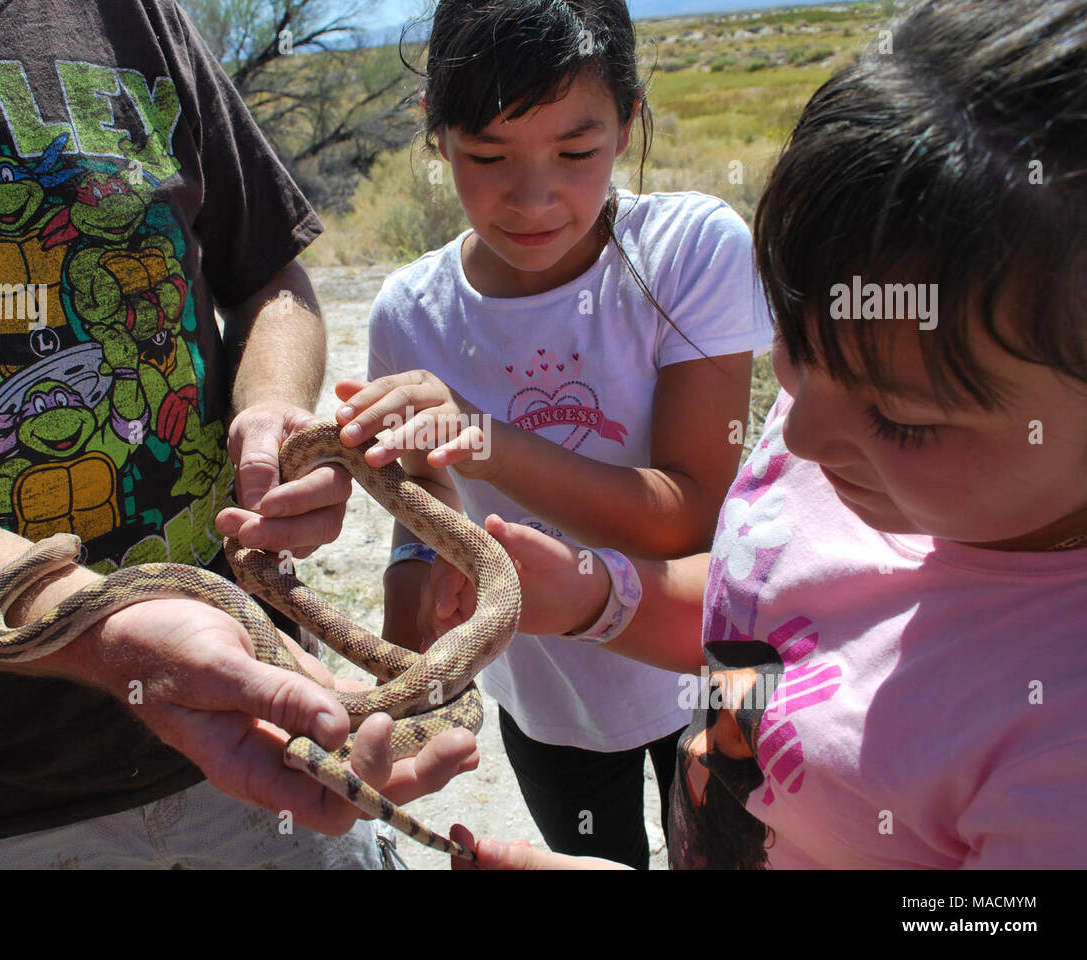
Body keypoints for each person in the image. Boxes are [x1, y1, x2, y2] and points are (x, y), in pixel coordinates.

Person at [0, 0, 473, 869]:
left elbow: (268, 275)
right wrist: (97, 633)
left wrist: (271, 410)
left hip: (265, 716)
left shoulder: (130, 15)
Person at [445, 0, 1087, 868]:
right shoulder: (845, 420)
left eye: (904, 420)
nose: (807, 436)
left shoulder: (1062, 751)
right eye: (796, 345)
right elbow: (767, 615)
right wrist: (596, 598)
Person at [332, 0, 772, 868]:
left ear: (630, 120)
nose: (534, 198)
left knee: (742, 856)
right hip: (552, 694)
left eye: (578, 152)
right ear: (437, 135)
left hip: (721, 662)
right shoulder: (409, 314)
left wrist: (483, 436)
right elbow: (421, 516)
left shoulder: (692, 249)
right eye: (488, 155)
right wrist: (408, 645)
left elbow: (690, 518)